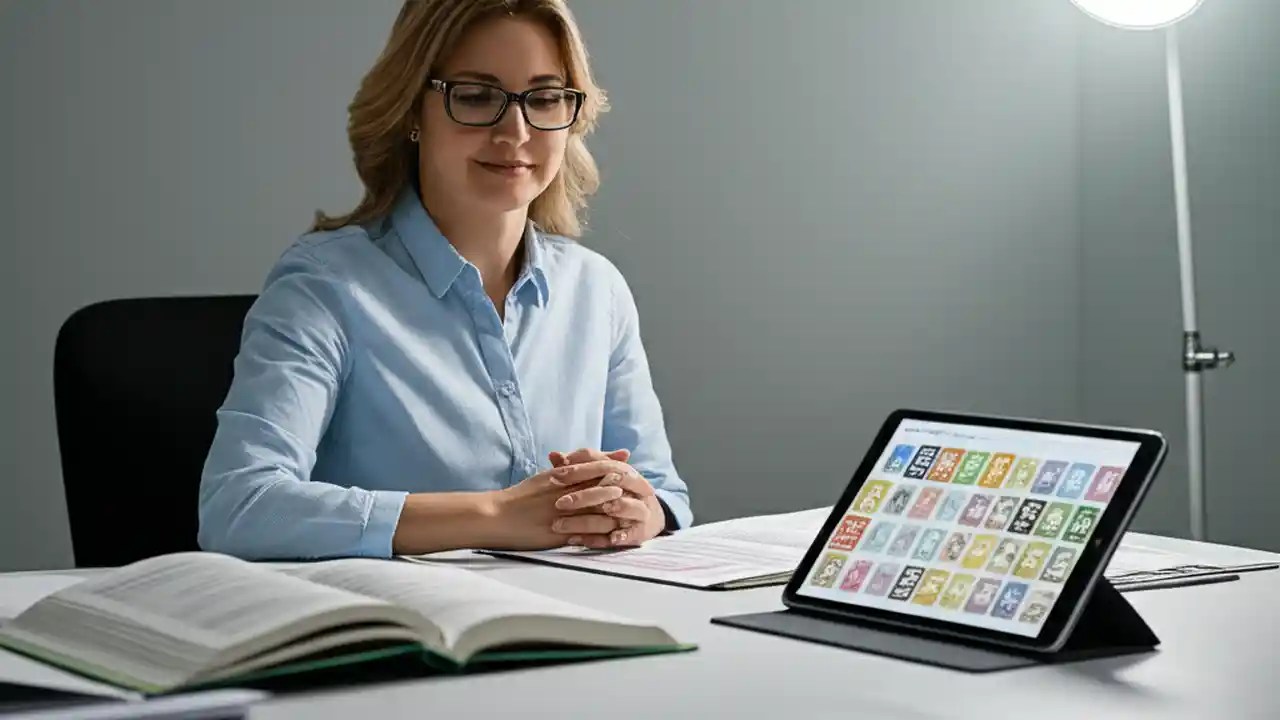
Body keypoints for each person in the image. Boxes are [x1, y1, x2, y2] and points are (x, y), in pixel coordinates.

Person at [197, 0, 691, 561]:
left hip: (577, 617)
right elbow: (239, 506)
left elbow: (665, 493)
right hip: (401, 629)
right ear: (412, 111)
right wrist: (495, 516)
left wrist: (639, 508)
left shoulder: (596, 290)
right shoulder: (325, 286)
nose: (516, 130)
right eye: (476, 96)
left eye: (546, 98)